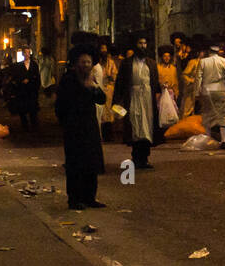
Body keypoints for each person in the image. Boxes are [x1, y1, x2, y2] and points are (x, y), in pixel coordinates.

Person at [56, 43, 107, 210]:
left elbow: (102, 99)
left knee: (91, 163)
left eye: (88, 62)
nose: (86, 65)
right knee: (75, 164)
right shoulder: (69, 79)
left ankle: (90, 197)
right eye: (83, 62)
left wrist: (93, 88)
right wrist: (66, 123)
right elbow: (61, 105)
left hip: (90, 127)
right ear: (77, 63)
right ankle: (75, 199)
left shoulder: (91, 80)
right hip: (74, 128)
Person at [115, 35, 160, 169]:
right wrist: (117, 101)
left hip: (147, 98)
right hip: (133, 97)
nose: (143, 46)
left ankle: (144, 158)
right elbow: (120, 83)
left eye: (145, 43)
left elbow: (155, 82)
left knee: (147, 128)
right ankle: (136, 157)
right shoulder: (127, 63)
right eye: (140, 43)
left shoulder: (151, 63)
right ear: (135, 45)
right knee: (135, 127)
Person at [197, 37, 225, 147]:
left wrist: (197, 93)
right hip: (221, 90)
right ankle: (223, 140)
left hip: (207, 90)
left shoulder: (202, 62)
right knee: (222, 115)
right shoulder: (224, 61)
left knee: (207, 114)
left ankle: (208, 140)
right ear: (218, 50)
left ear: (209, 50)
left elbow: (198, 78)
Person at [10, 46, 41, 131]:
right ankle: (25, 124)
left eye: (28, 52)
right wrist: (21, 81)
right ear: (23, 54)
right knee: (22, 108)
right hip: (22, 90)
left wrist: (33, 84)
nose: (27, 54)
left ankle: (34, 124)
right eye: (25, 52)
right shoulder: (19, 65)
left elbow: (37, 76)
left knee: (32, 108)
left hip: (31, 90)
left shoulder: (34, 65)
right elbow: (16, 77)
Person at [156, 45, 181, 132]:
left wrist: (176, 93)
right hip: (160, 92)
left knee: (171, 113)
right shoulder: (157, 68)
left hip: (170, 93)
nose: (166, 58)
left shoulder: (173, 68)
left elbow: (175, 82)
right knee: (161, 112)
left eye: (168, 56)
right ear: (162, 57)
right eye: (164, 56)